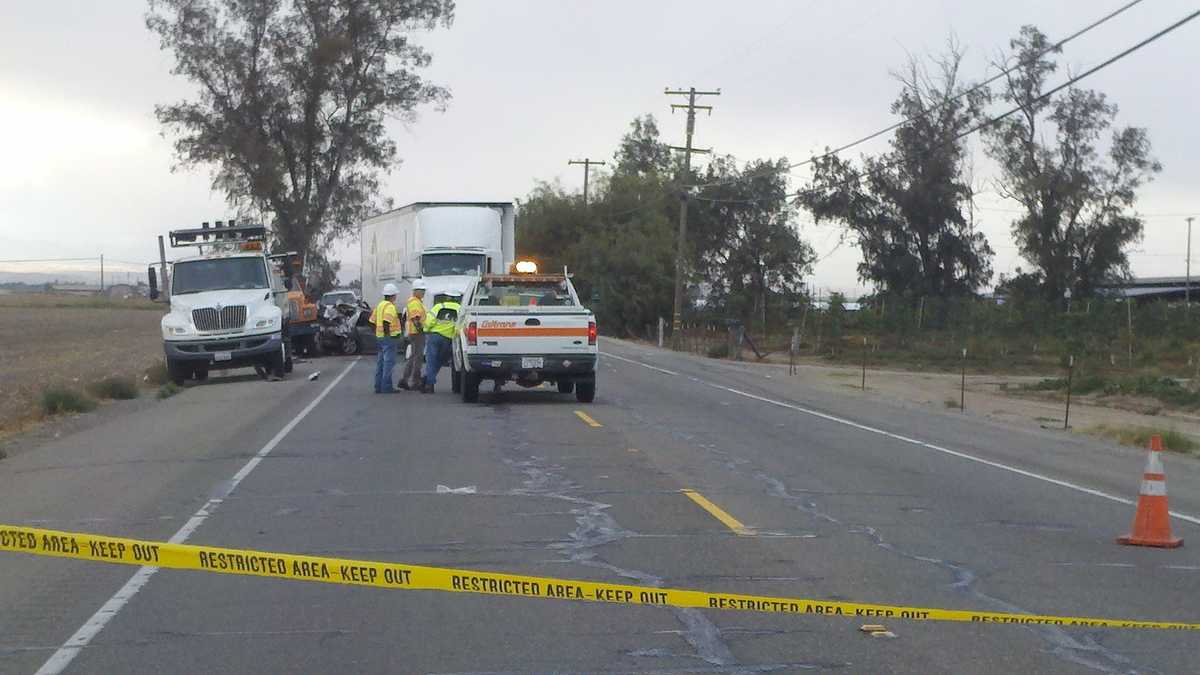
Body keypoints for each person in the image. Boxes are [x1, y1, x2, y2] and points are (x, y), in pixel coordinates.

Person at [421, 290, 462, 393]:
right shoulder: (460, 309)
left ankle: (429, 383)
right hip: (448, 339)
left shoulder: (439, 307)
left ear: (447, 297)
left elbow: (429, 321)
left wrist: (426, 330)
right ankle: (429, 379)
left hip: (434, 337)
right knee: (440, 361)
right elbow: (460, 326)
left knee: (431, 360)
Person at [368, 283, 402, 393]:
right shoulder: (390, 307)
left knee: (381, 362)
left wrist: (377, 333)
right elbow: (386, 322)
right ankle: (386, 387)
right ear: (393, 296)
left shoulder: (380, 305)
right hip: (389, 338)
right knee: (389, 363)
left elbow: (372, 322)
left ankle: (378, 386)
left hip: (380, 338)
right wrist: (387, 335)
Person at [399, 281, 427, 390]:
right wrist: (421, 329)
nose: (423, 292)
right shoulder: (415, 302)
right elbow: (415, 318)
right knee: (417, 357)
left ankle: (405, 379)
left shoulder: (416, 301)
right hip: (417, 333)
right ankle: (415, 381)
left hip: (415, 332)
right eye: (422, 290)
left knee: (413, 357)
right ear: (416, 291)